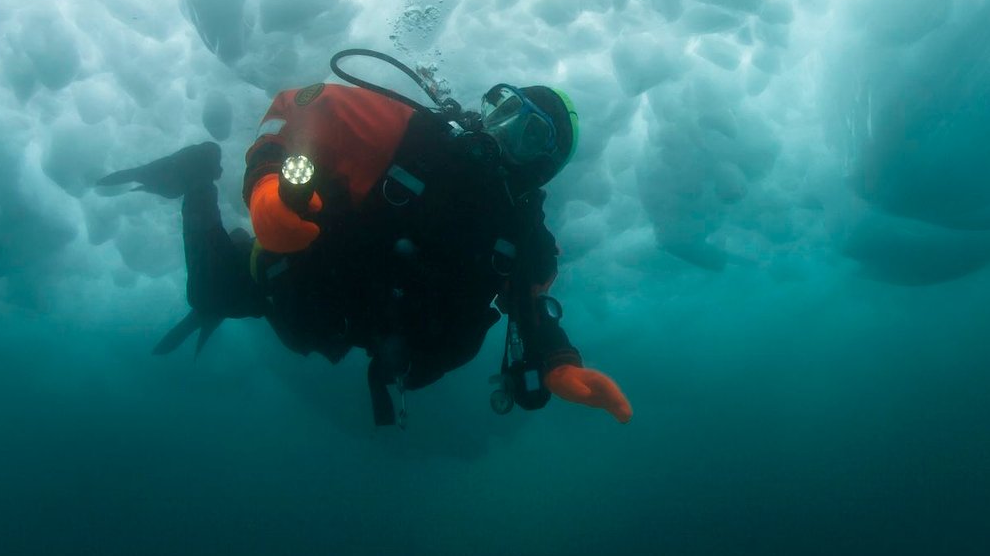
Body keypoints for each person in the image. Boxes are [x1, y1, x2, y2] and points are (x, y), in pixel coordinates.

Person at [98, 49, 631, 428]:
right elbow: (294, 106)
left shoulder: (525, 238)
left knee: (264, 311)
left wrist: (559, 362)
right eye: (504, 109)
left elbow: (530, 308)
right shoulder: (414, 137)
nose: (501, 130)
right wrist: (263, 183)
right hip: (300, 267)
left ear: (545, 167)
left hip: (336, 318)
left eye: (529, 133)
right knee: (210, 293)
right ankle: (198, 173)